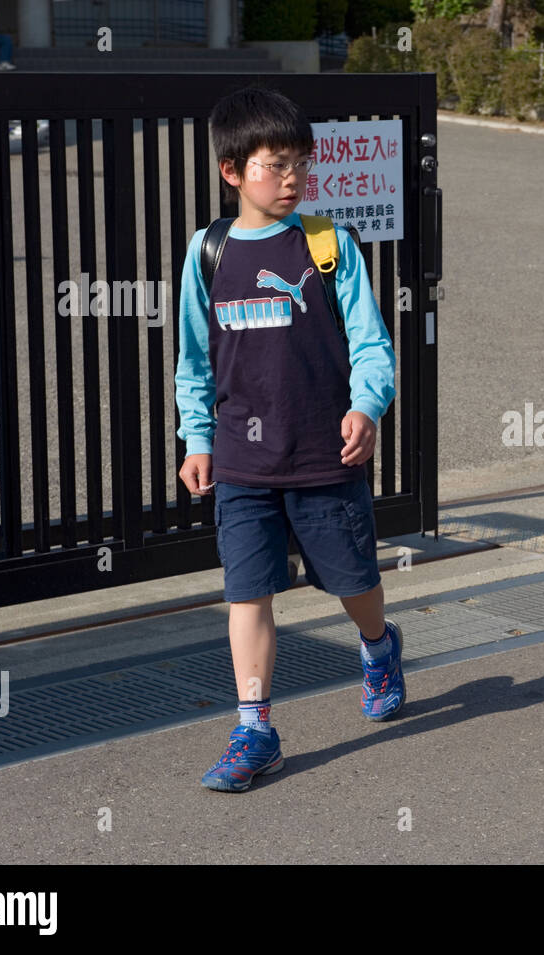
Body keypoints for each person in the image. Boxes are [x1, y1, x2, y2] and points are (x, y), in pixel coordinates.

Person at [174, 87, 400, 792]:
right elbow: (194, 361)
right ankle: (254, 727)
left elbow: (372, 346)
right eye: (277, 164)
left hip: (323, 456)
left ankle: (378, 646)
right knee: (248, 593)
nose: (295, 177)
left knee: (353, 582)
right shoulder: (207, 253)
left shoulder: (329, 244)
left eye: (302, 162)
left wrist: (367, 406)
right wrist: (197, 437)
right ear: (232, 170)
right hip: (242, 464)